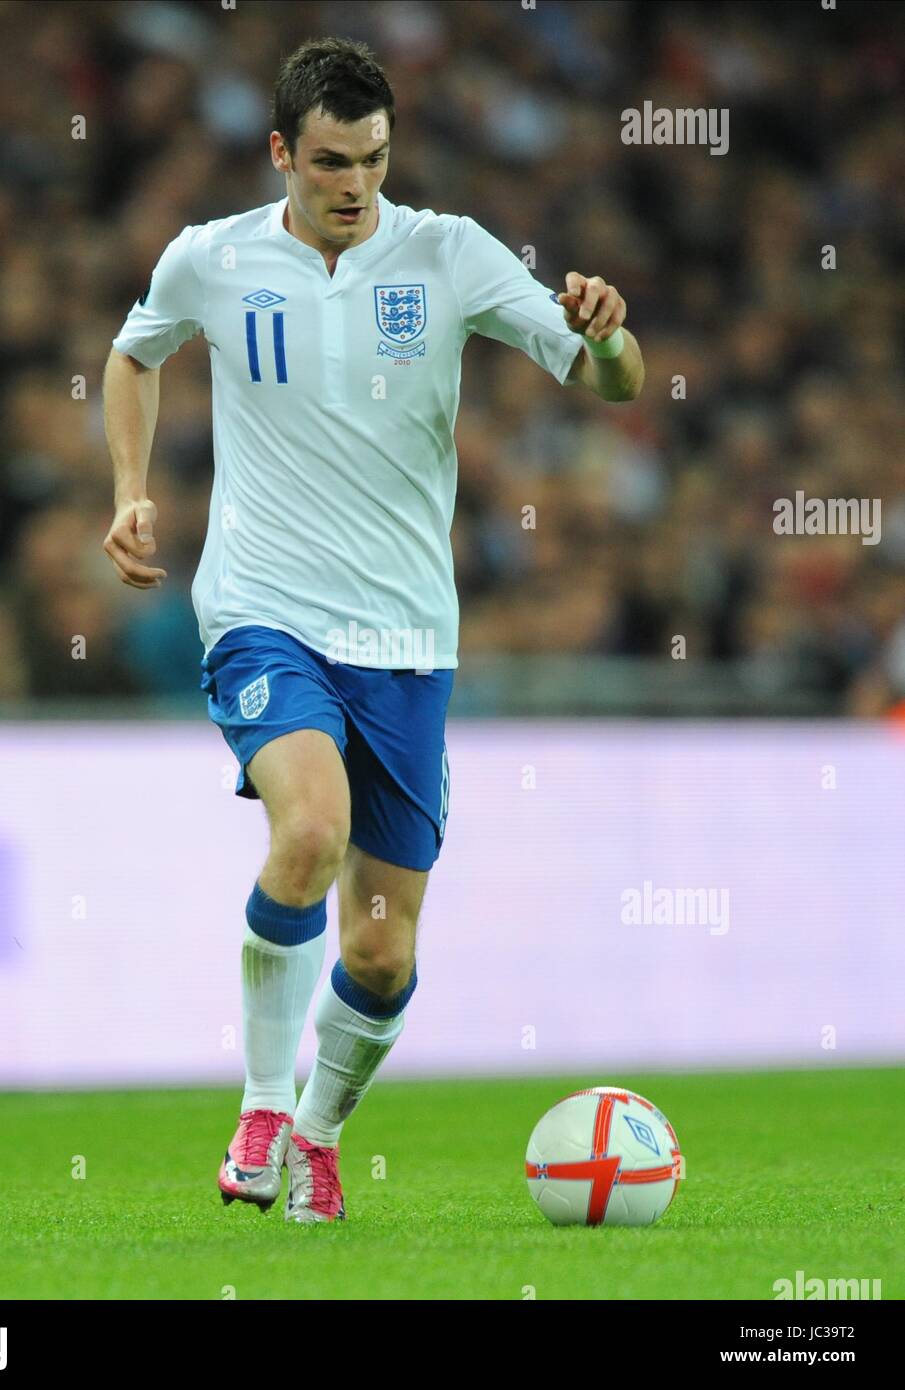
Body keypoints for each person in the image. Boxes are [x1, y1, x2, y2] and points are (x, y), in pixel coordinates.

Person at [102, 37, 643, 1223]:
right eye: (333, 161)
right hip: (260, 608)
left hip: (404, 635)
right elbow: (131, 356)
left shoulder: (446, 253)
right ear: (281, 152)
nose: (356, 184)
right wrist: (130, 489)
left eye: (376, 160)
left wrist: (603, 334)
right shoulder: (213, 258)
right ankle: (256, 1107)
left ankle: (317, 1132)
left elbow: (610, 383)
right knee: (307, 828)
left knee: (384, 952)